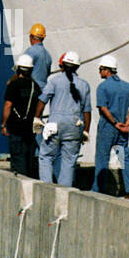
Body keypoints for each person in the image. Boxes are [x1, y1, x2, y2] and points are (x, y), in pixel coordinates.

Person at [34, 51, 91, 187]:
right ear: (77, 67)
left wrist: (37, 118)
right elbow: (87, 111)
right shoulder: (84, 85)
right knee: (69, 160)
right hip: (74, 126)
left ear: (63, 65)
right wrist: (86, 130)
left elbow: (42, 100)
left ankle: (46, 187)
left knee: (46, 156)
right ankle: (64, 192)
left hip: (55, 125)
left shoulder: (54, 81)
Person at [90, 55, 129, 199]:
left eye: (101, 69)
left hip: (108, 127)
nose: (99, 72)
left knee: (102, 158)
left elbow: (103, 108)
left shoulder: (103, 87)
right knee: (124, 158)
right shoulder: (127, 86)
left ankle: (98, 189)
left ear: (107, 70)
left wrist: (114, 122)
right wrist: (126, 124)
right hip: (122, 129)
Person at [2, 55, 41, 177]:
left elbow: (8, 105)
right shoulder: (36, 86)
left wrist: (3, 124)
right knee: (28, 160)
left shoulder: (13, 85)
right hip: (30, 129)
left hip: (16, 128)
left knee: (18, 163)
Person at [23, 23, 52, 91]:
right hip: (43, 91)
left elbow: (22, 69)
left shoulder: (31, 51)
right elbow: (47, 73)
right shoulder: (48, 55)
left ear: (31, 36)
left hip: (31, 89)